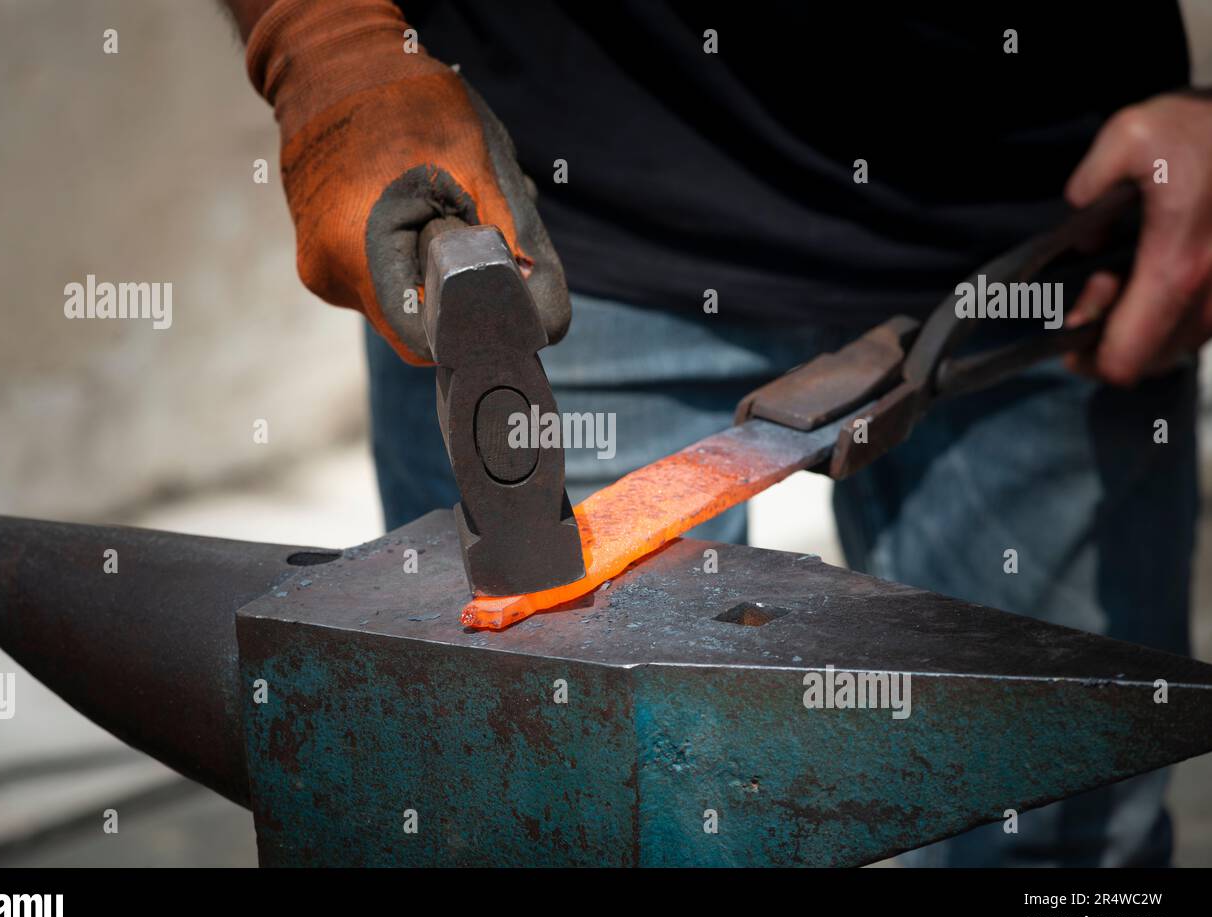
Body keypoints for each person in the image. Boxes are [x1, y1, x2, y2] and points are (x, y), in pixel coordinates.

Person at [224, 0, 1212, 866]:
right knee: (546, 826)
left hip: (1042, 210)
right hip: (552, 247)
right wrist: (321, 39)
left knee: (1061, 840)